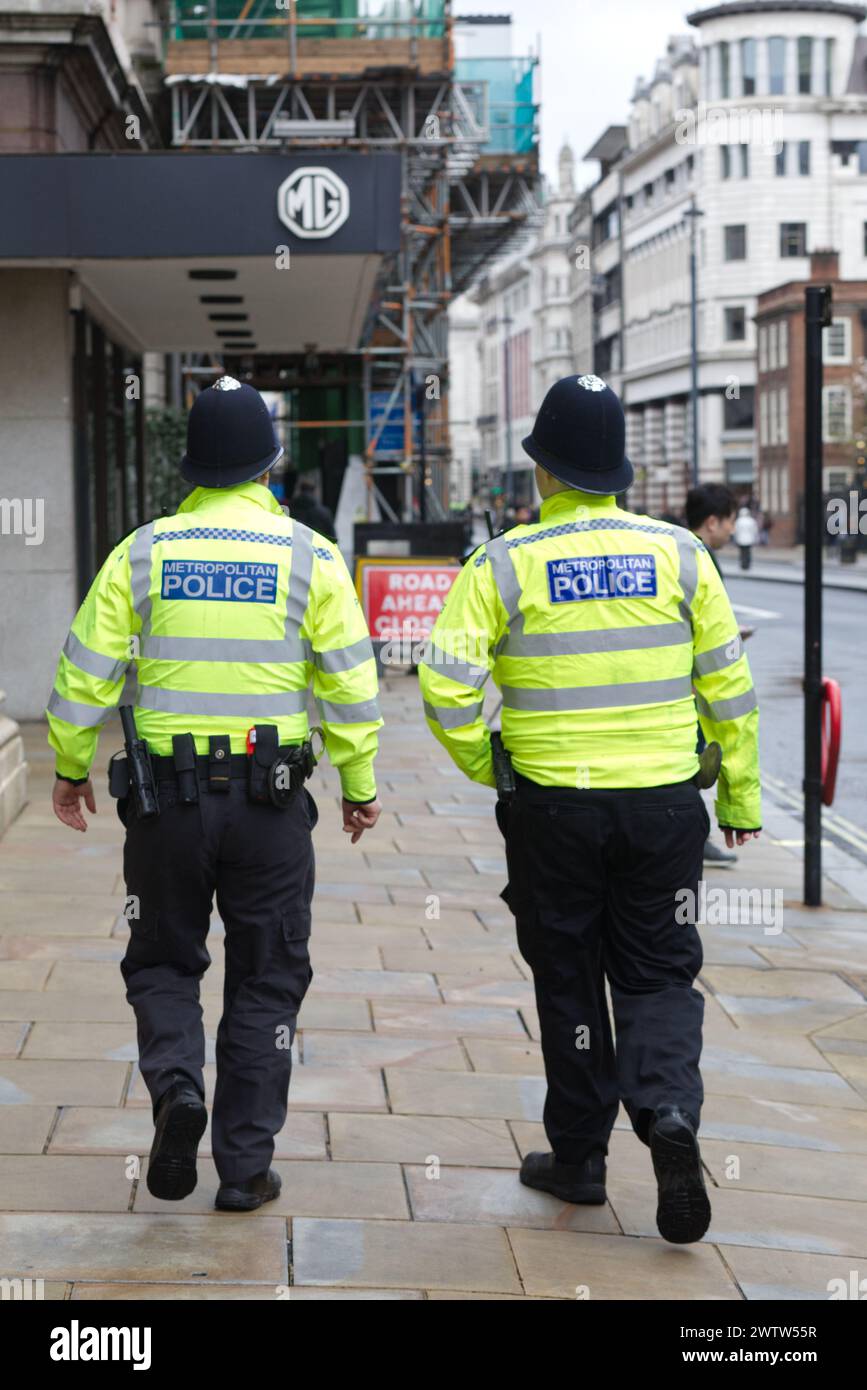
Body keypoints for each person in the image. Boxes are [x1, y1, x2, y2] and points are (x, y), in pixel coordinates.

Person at [418, 373, 761, 1245]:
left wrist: (489, 763)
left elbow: (444, 682)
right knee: (655, 970)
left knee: (567, 978)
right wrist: (741, 795)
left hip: (553, 810)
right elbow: (729, 686)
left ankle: (578, 1159)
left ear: (542, 470)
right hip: (663, 807)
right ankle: (667, 1113)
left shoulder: (503, 562)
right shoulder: (683, 556)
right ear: (619, 472)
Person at [47, 375, 382, 1212]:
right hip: (271, 811)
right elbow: (349, 683)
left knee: (162, 960)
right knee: (267, 978)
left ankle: (174, 1091)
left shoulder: (145, 551)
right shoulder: (311, 557)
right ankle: (243, 1167)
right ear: (269, 466)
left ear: (191, 469)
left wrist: (67, 763)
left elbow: (84, 671)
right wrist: (359, 784)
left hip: (166, 808)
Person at [685, 483, 740, 867]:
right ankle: (696, 838)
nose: (733, 530)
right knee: (696, 762)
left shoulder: (678, 550)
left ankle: (693, 836)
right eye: (731, 521)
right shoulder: (697, 557)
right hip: (691, 685)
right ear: (712, 521)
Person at [288, 474, 337, 542]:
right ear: (314, 490)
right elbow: (332, 537)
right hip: (317, 548)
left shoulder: (290, 510)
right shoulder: (324, 512)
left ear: (300, 489)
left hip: (295, 547)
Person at [734, 504, 759, 570]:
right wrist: (755, 537)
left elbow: (736, 530)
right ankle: (747, 564)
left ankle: (743, 564)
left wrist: (736, 538)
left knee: (742, 552)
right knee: (748, 552)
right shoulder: (751, 521)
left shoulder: (738, 521)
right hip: (749, 539)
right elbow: (754, 530)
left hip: (741, 539)